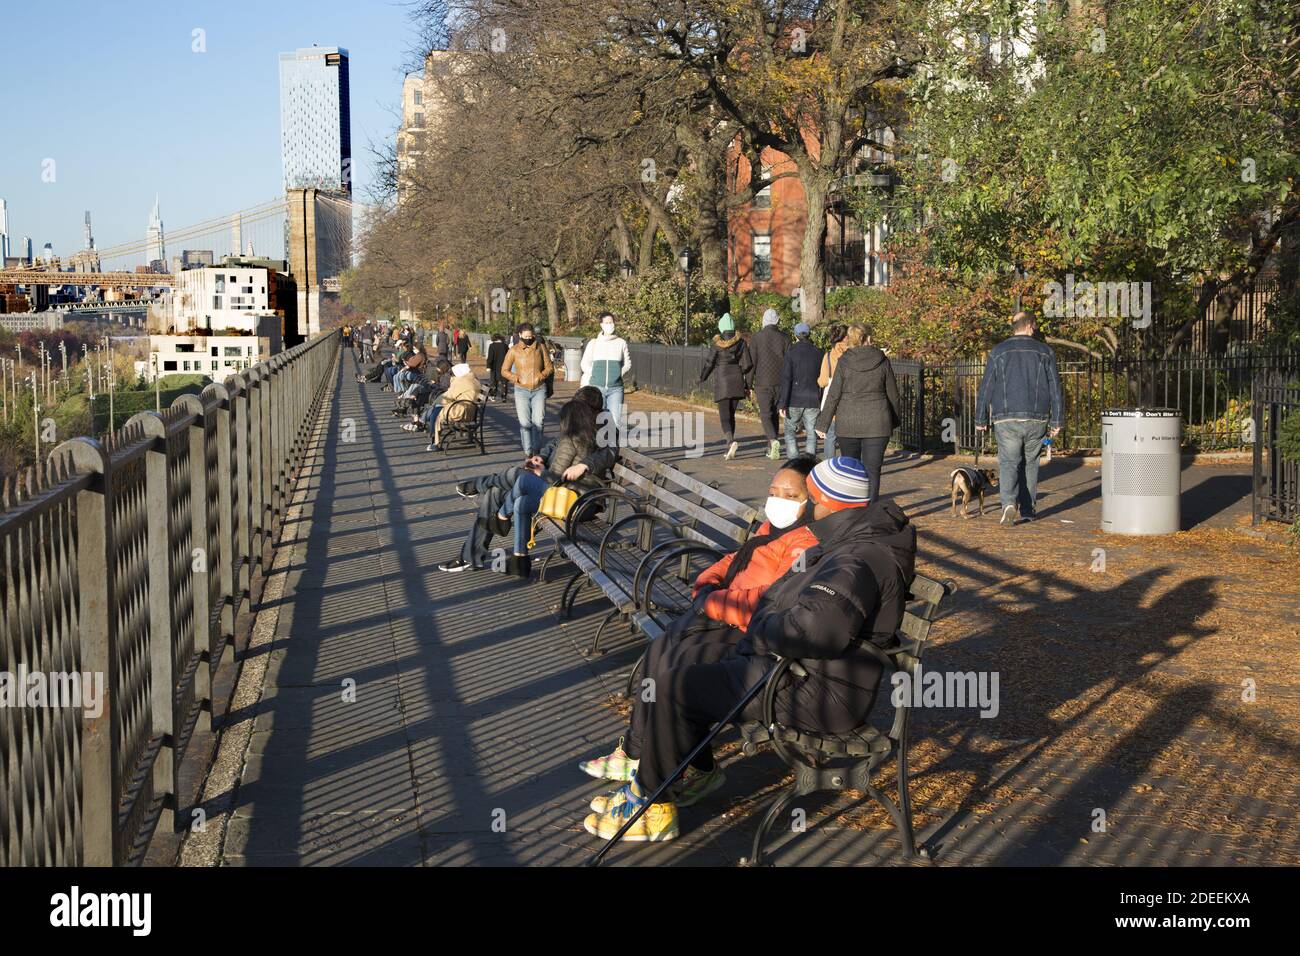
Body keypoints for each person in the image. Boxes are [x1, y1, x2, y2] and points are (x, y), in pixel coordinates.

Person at [578, 457, 916, 842]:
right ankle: (658, 785)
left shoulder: (854, 557)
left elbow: (817, 631)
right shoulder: (851, 540)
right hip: (799, 672)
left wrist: (761, 628)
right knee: (681, 668)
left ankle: (650, 807)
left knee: (678, 688)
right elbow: (792, 602)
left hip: (817, 689)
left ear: (823, 497)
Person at [579, 456, 819, 788]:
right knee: (662, 648)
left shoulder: (804, 543)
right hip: (725, 617)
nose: (778, 500)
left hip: (751, 634)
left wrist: (714, 602)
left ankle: (676, 770)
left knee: (679, 664)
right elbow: (734, 560)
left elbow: (772, 598)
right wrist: (707, 581)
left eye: (790, 495)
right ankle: (636, 752)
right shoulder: (770, 529)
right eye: (773, 491)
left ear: (812, 500)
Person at [439, 387, 615, 574]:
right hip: (553, 484)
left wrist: (584, 465)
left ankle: (480, 486)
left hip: (569, 494)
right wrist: (541, 457)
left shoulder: (607, 426)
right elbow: (555, 443)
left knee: (514, 479)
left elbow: (611, 451)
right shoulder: (577, 422)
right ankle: (472, 556)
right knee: (495, 493)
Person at [492, 394, 607, 577]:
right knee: (521, 503)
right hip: (580, 500)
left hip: (573, 502)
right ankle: (519, 560)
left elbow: (553, 480)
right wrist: (543, 461)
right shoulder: (593, 434)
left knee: (523, 480)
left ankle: (501, 516)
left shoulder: (571, 440)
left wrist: (539, 471)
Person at [974, 311, 1064, 525]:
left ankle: (1008, 504)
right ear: (1031, 326)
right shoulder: (1045, 351)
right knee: (1031, 463)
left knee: (1008, 462)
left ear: (1014, 327)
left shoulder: (999, 351)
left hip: (1006, 417)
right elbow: (1055, 388)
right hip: (1037, 417)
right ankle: (1028, 509)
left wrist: (980, 419)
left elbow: (986, 387)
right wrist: (1057, 421)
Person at [816, 325, 899, 501]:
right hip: (877, 423)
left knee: (850, 470)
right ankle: (869, 511)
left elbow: (833, 394)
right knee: (872, 470)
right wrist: (894, 421)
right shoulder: (882, 360)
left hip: (848, 422)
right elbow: (893, 394)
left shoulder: (844, 361)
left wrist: (823, 423)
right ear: (867, 338)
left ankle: (852, 509)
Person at [699, 313, 753, 461]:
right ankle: (729, 445)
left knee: (724, 416)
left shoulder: (717, 344)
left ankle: (730, 442)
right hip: (736, 381)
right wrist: (746, 382)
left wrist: (702, 377)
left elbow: (709, 363)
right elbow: (747, 364)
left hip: (722, 381)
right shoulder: (741, 343)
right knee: (731, 415)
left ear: (721, 328)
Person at [501, 322, 554, 455]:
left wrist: (541, 376)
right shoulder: (514, 350)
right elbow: (504, 370)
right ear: (520, 335)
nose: (528, 338)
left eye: (531, 336)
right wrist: (516, 378)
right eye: (525, 336)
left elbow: (549, 367)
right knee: (525, 423)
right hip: (521, 390)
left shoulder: (540, 347)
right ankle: (527, 452)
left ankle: (536, 451)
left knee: (539, 422)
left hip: (539, 389)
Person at [579, 312, 632, 440]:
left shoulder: (621, 343)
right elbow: (584, 363)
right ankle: (599, 451)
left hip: (616, 389)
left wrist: (618, 373)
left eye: (611, 322)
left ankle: (614, 451)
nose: (610, 325)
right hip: (597, 388)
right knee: (598, 421)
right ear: (601, 324)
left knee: (616, 421)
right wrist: (595, 374)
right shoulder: (594, 343)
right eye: (607, 322)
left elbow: (628, 363)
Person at [748, 308, 790, 460]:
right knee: (775, 415)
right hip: (780, 382)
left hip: (762, 382)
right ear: (777, 321)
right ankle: (770, 446)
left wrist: (748, 384)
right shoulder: (785, 338)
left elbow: (752, 363)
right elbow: (789, 362)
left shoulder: (757, 338)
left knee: (765, 414)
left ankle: (773, 440)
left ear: (764, 321)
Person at [778, 322, 823, 459]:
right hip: (813, 398)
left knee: (790, 431)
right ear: (809, 334)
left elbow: (786, 379)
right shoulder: (818, 352)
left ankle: (794, 460)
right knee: (811, 432)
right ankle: (809, 461)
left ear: (795, 335)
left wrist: (782, 403)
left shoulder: (791, 352)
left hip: (794, 398)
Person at [429, 361, 480, 452]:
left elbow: (450, 394)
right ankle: (433, 437)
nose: (453, 376)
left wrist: (436, 402)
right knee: (437, 409)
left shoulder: (462, 381)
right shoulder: (471, 379)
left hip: (463, 410)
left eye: (454, 374)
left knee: (436, 412)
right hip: (469, 408)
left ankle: (435, 442)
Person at [817, 324, 848, 458]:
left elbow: (823, 381)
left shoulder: (828, 356)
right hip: (849, 401)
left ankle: (828, 466)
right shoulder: (852, 354)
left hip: (832, 403)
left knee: (830, 437)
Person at [485, 333, 508, 401]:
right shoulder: (505, 346)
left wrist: (488, 366)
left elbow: (490, 357)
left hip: (494, 366)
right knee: (504, 382)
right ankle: (504, 396)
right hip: (504, 366)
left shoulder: (492, 346)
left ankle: (493, 396)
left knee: (493, 381)